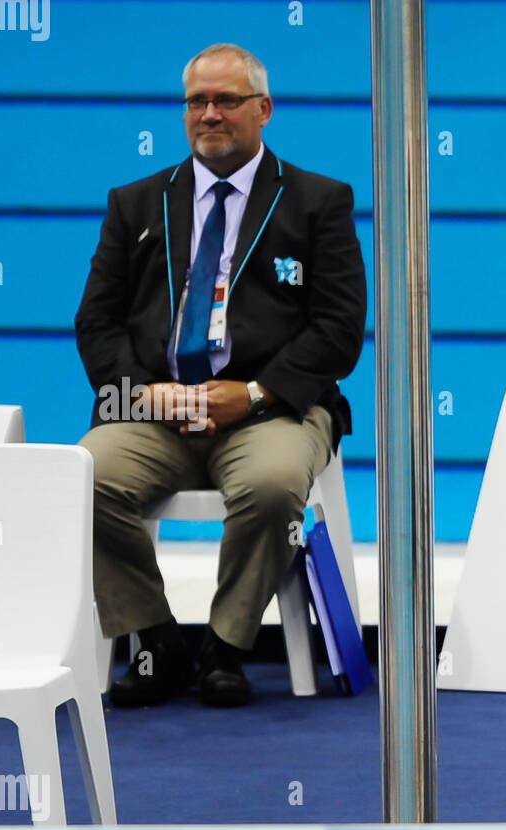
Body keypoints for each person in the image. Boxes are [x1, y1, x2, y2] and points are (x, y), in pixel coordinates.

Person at [75, 43, 366, 708]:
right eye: (197, 102)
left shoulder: (319, 202)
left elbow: (339, 329)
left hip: (272, 410)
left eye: (226, 100)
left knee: (269, 485)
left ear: (263, 110)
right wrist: (144, 392)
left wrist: (256, 393)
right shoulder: (136, 203)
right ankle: (154, 639)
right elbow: (96, 322)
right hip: (157, 412)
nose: (210, 114)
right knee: (81, 479)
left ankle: (226, 648)